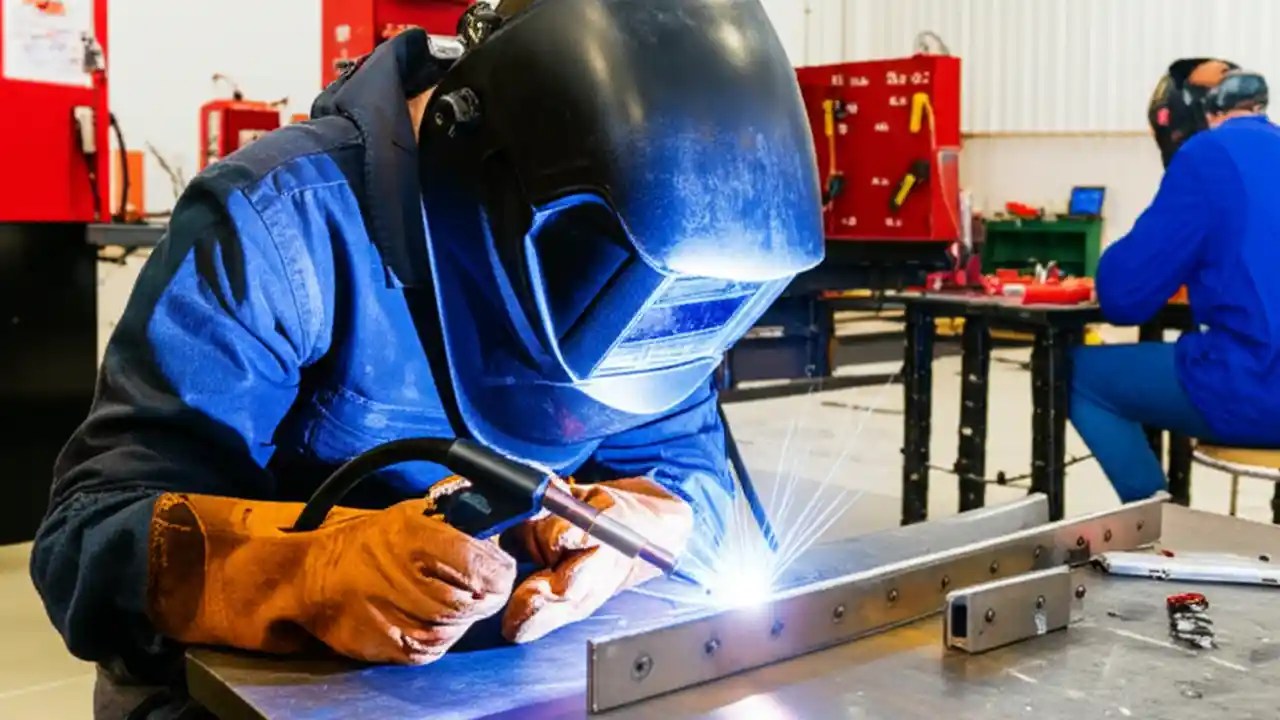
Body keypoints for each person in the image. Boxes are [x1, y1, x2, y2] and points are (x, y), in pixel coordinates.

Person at [29, 0, 823, 715]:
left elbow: (694, 476)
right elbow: (85, 544)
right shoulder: (283, 226)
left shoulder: (668, 264)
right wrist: (311, 570)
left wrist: (641, 534)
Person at [1071, 69, 1280, 502]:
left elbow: (1124, 298)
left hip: (1257, 383)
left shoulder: (1208, 154)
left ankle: (1157, 532)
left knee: (1074, 375)